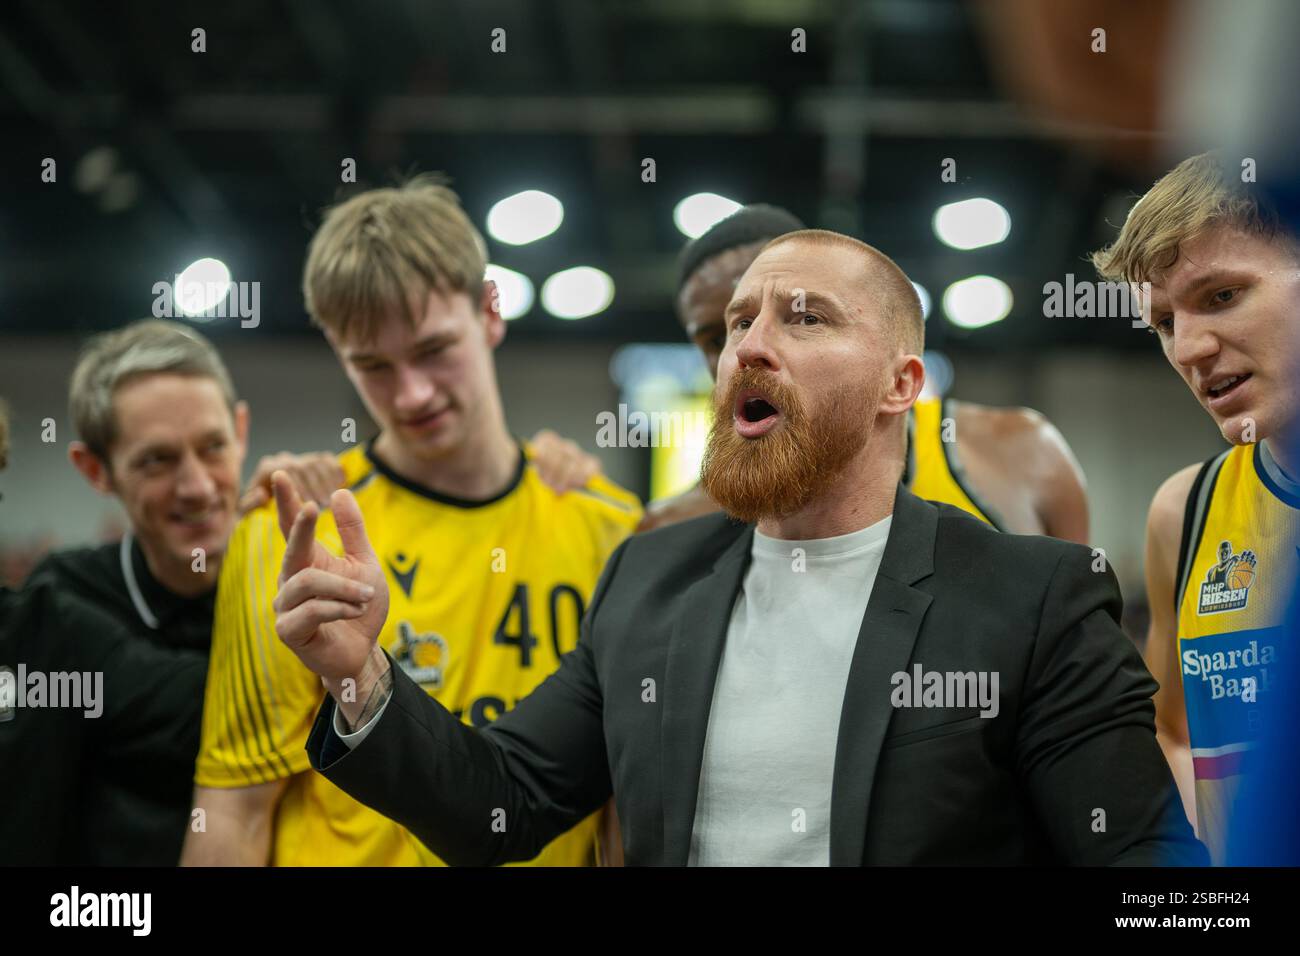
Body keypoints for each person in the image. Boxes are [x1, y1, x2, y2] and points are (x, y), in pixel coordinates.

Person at [277, 228, 1206, 866]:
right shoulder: (650, 579)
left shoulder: (1032, 598)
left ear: (901, 384)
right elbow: (502, 803)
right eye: (738, 324)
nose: (751, 346)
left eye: (804, 318)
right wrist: (360, 675)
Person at [181, 175, 640, 866]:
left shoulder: (612, 530)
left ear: (490, 311)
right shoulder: (291, 535)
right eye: (372, 366)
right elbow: (234, 814)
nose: (412, 393)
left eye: (432, 350)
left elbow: (622, 810)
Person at [642, 204, 1089, 543]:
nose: (749, 350)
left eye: (802, 318)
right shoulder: (671, 530)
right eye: (726, 332)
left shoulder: (1021, 452)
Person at [1091, 150, 1300, 864]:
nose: (1190, 347)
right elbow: (1174, 730)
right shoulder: (1184, 511)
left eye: (1221, 296)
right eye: (1162, 322)